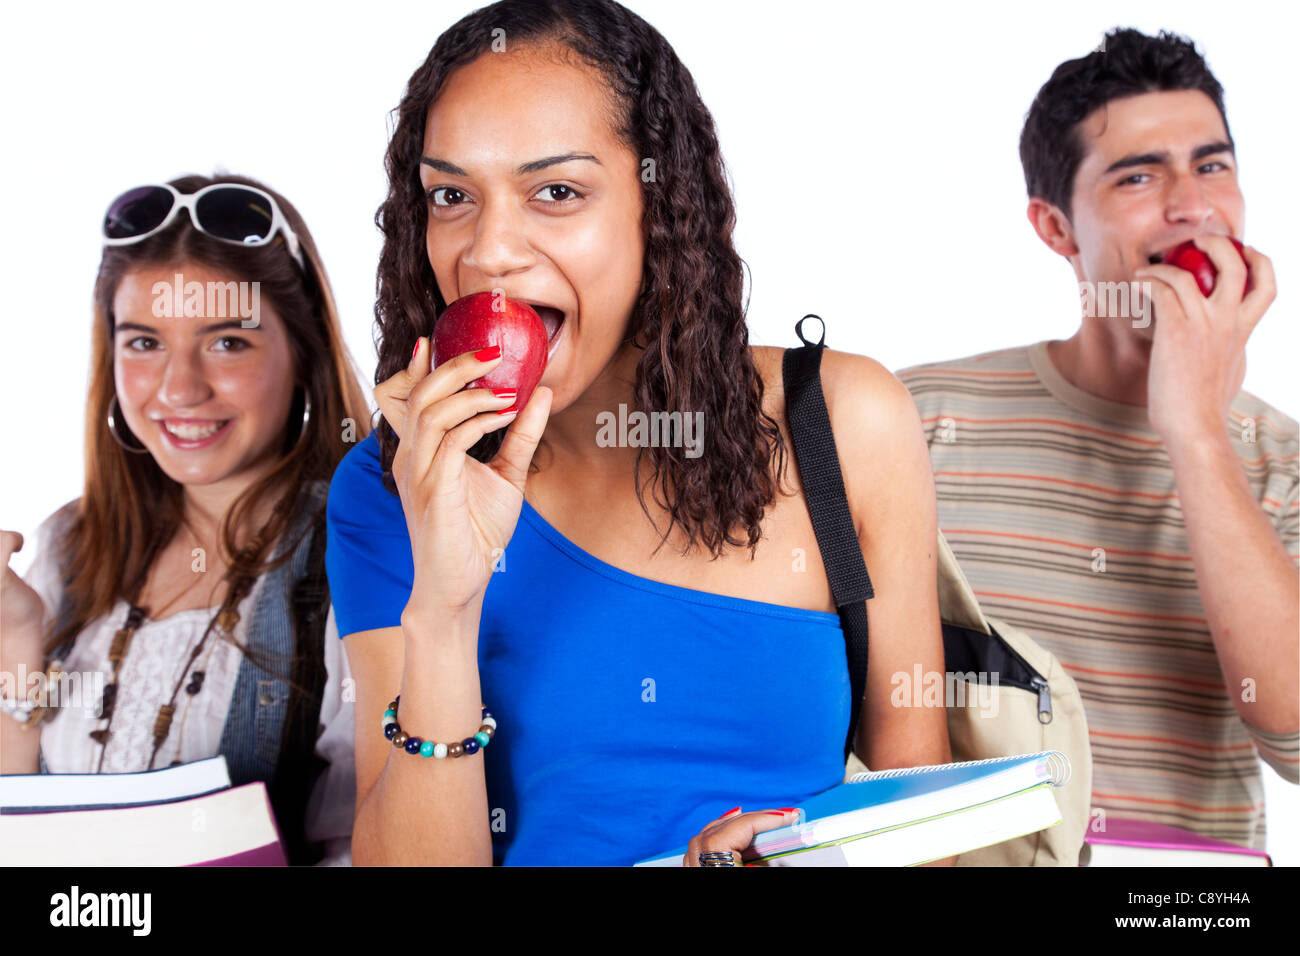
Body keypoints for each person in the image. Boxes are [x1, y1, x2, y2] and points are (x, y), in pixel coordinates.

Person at [325, 0, 950, 866]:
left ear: (660, 206)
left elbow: (928, 829)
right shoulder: (390, 482)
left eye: (557, 192)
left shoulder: (838, 422)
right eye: (452, 196)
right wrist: (444, 606)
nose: (489, 250)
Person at [898, 28, 1298, 851]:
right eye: (1139, 175)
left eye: (1212, 164)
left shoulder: (1279, 458)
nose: (1192, 204)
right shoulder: (913, 419)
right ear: (1056, 227)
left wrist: (1194, 430)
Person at [0, 173, 371, 865]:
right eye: (144, 343)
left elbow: (365, 844)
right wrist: (17, 641)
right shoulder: (68, 546)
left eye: (228, 342)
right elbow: (19, 823)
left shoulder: (357, 555)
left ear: (304, 351)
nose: (179, 389)